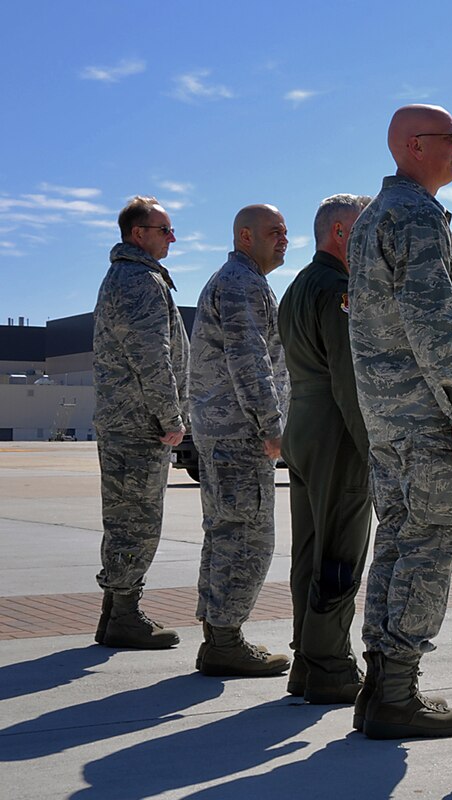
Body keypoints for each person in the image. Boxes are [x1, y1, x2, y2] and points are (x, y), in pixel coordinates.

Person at [347, 104, 452, 739]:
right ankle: (396, 693)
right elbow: (435, 325)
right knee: (430, 544)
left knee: (398, 544)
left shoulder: (374, 216)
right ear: (415, 145)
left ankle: (379, 690)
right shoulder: (416, 216)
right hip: (426, 417)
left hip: (387, 418)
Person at [278, 194, 374, 704]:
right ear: (340, 232)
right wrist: (374, 450)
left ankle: (307, 660)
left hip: (304, 425)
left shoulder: (298, 286)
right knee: (340, 552)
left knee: (311, 550)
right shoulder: (338, 288)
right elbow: (349, 378)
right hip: (337, 429)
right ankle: (329, 664)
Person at [189, 204, 292, 677]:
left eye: (286, 232)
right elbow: (251, 361)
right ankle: (226, 640)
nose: (284, 240)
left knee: (225, 532)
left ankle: (219, 636)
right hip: (240, 434)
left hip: (222, 432)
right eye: (274, 232)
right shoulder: (243, 284)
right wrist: (272, 426)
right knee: (249, 538)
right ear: (245, 237)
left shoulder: (239, 281)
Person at [92, 196, 189, 649]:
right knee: (139, 520)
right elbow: (152, 357)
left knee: (123, 517)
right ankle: (125, 614)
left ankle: (115, 612)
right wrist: (171, 417)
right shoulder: (139, 280)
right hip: (138, 425)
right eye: (164, 230)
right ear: (138, 234)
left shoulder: (128, 277)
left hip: (124, 420)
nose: (172, 238)